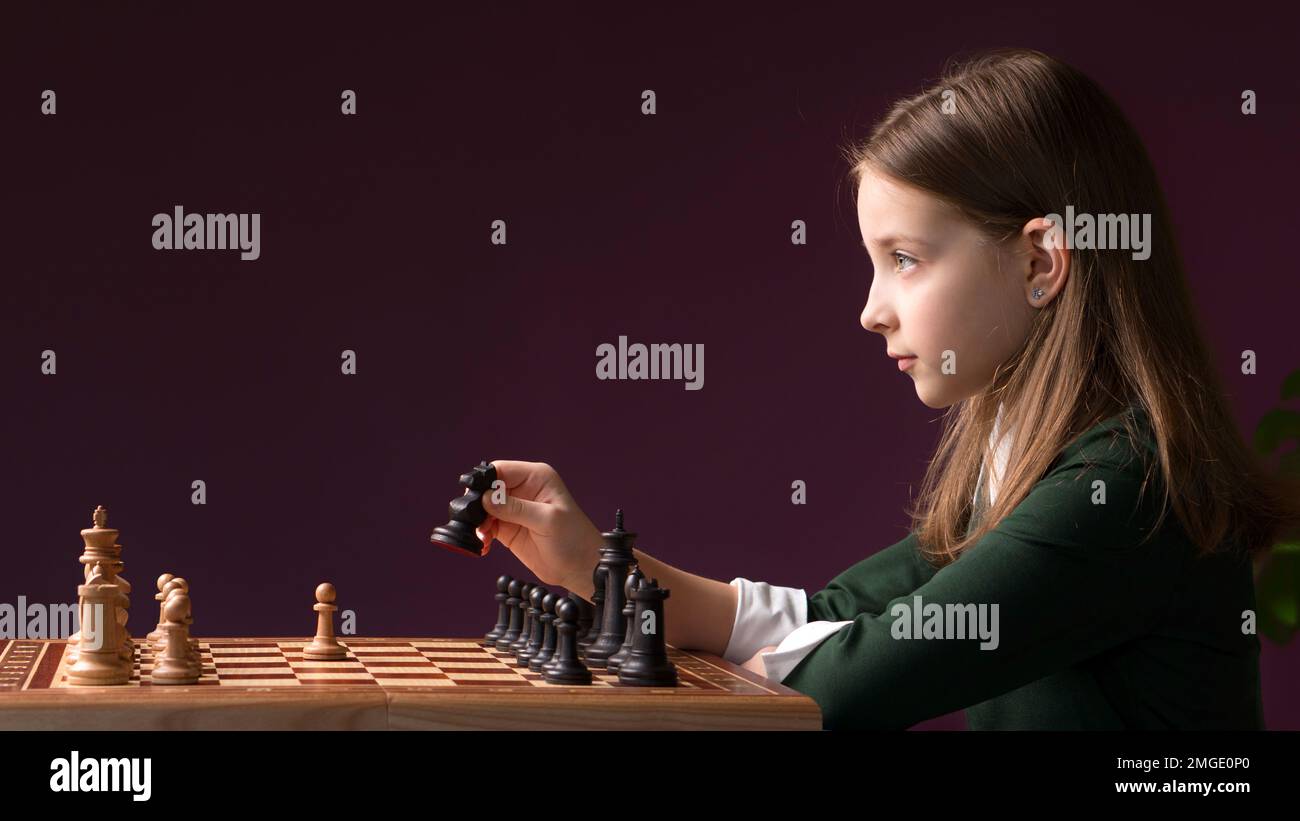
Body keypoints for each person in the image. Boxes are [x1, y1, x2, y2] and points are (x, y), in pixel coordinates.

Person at [471, 49, 1300, 730]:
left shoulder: (1119, 489)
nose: (871, 312)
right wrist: (590, 564)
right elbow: (825, 614)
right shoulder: (1027, 471)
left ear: (1042, 262)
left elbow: (846, 683)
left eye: (905, 258)